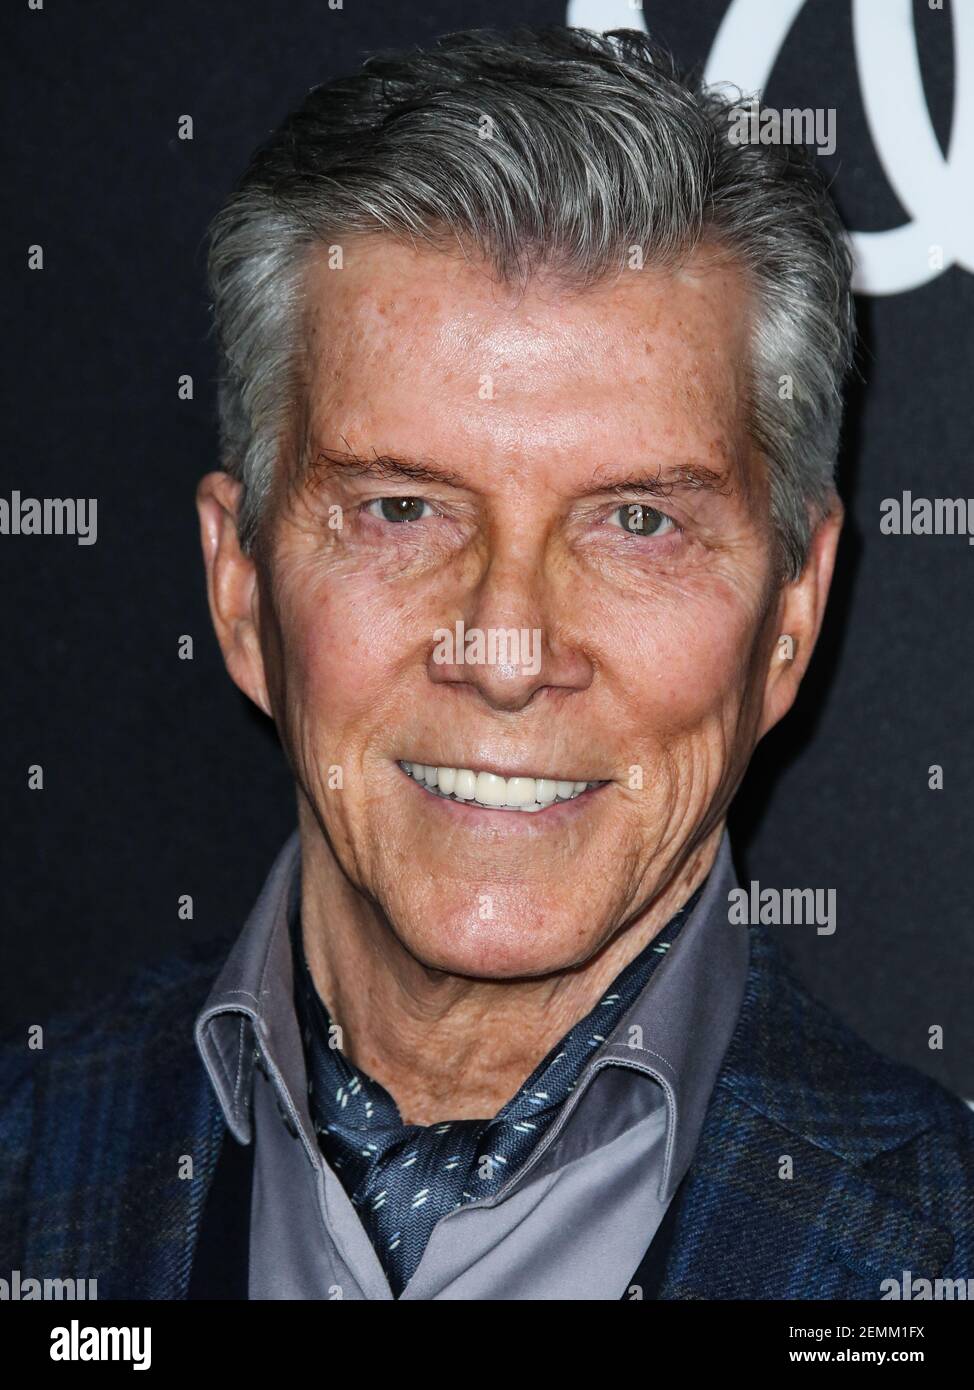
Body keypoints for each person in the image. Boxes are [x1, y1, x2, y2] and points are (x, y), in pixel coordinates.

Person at [3, 25, 971, 1301]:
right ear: (239, 590)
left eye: (637, 522)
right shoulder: (26, 1171)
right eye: (401, 510)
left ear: (791, 611)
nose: (507, 652)